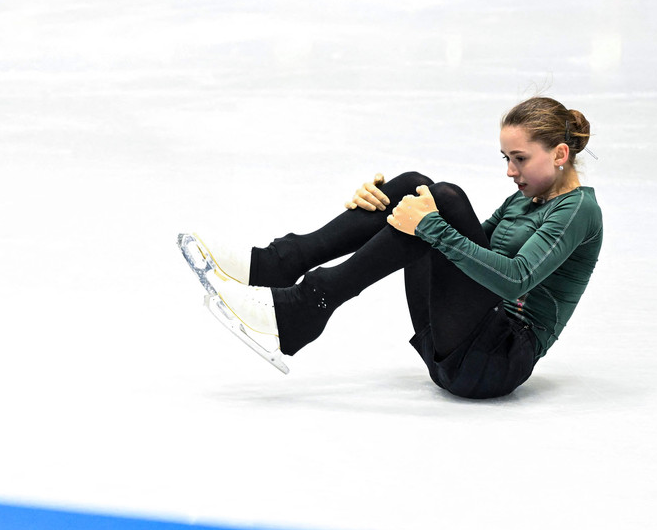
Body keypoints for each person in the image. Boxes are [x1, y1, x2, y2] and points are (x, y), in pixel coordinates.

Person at [178, 97, 603, 400]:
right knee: (416, 187)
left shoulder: (579, 210)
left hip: (493, 360)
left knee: (442, 201)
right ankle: (277, 265)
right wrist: (387, 208)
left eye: (520, 158)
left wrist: (429, 224)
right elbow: (472, 250)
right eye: (505, 158)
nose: (510, 171)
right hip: (454, 344)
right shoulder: (526, 198)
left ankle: (308, 303)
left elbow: (514, 281)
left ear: (560, 153)